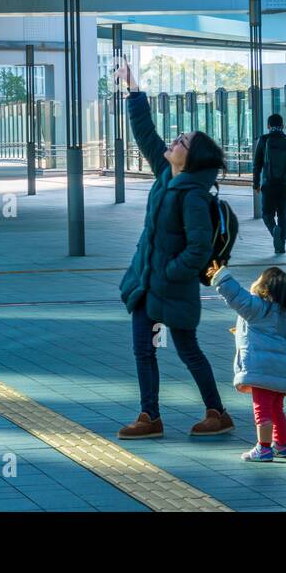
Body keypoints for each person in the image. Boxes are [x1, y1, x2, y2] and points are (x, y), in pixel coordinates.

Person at [115, 58, 235, 440]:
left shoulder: (194, 196)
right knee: (143, 349)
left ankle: (217, 412)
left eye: (182, 142)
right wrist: (133, 91)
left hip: (171, 285)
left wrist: (170, 273)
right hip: (147, 283)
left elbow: (199, 248)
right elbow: (146, 134)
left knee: (187, 350)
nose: (174, 142)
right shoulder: (166, 173)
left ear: (191, 157)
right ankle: (149, 416)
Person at [205, 261, 286, 462]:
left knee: (262, 410)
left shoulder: (258, 308)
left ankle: (264, 449)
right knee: (277, 410)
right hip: (281, 371)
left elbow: (236, 296)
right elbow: (272, 334)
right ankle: (282, 446)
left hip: (261, 369)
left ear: (265, 288)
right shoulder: (283, 314)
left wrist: (221, 276)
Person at [252, 113, 286, 254]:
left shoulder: (263, 140)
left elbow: (256, 164)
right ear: (282, 126)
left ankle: (274, 230)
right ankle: (281, 243)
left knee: (267, 214)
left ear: (268, 126)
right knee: (283, 215)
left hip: (268, 185)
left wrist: (256, 184)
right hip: (285, 185)